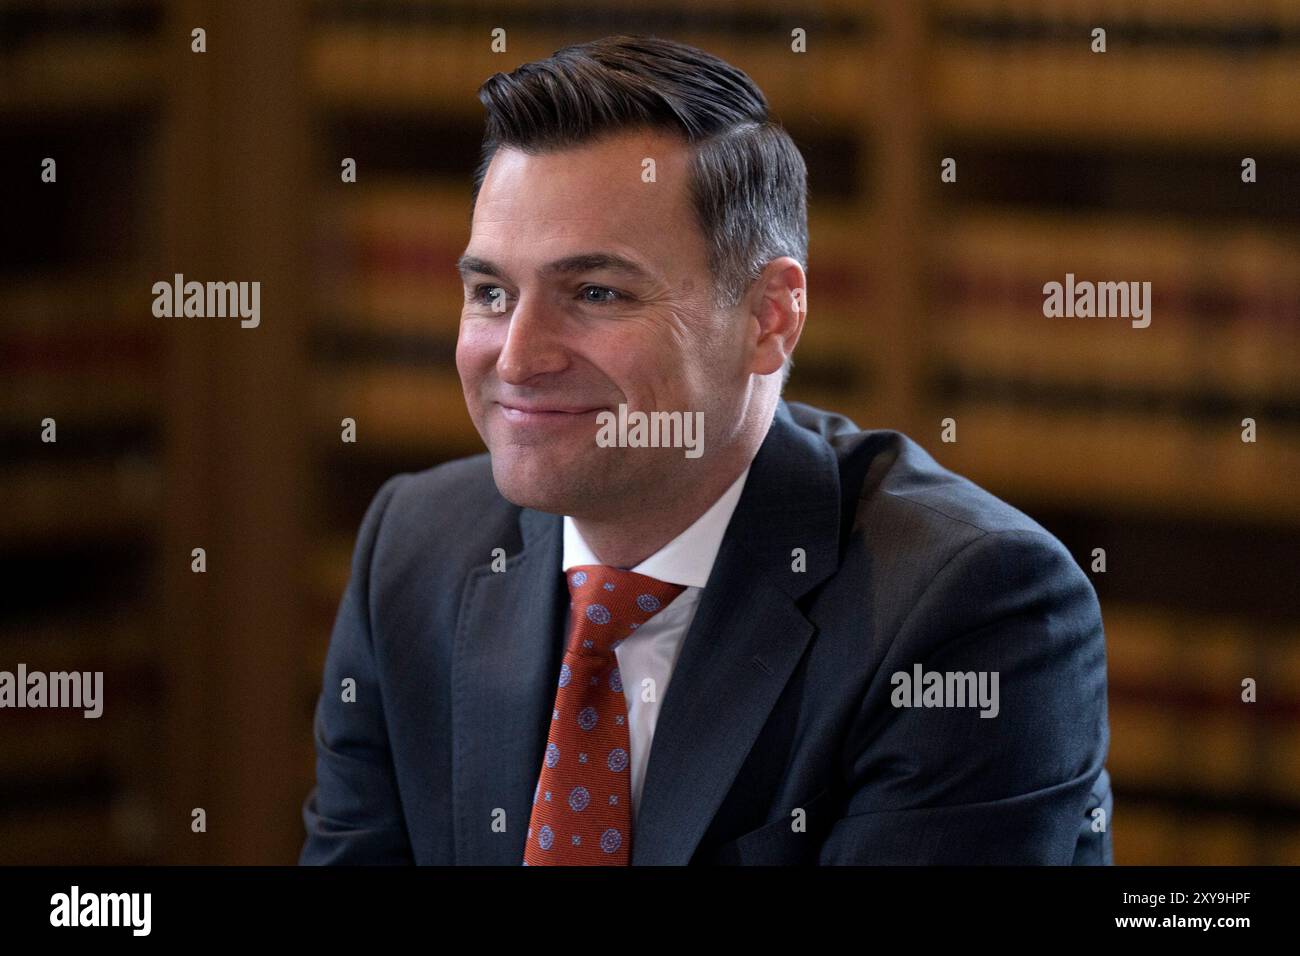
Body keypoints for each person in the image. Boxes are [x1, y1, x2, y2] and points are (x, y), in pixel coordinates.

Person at [298, 34, 1112, 865]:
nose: (517, 357)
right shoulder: (414, 547)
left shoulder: (972, 607)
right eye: (492, 293)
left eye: (596, 293)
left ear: (769, 319)